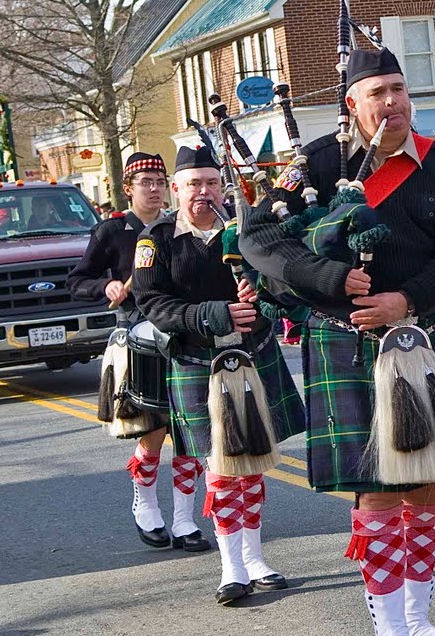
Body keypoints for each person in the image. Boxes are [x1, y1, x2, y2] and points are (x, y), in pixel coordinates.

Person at [244, 44, 435, 636]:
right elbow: (259, 238)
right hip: (349, 338)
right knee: (377, 488)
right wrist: (332, 277)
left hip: (426, 331)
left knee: (426, 482)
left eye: (398, 89)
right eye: (377, 93)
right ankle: (388, 631)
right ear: (352, 104)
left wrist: (407, 300)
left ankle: (419, 619)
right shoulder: (316, 164)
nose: (392, 103)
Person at [131, 144, 307, 604]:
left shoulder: (248, 232)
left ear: (222, 186)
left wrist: (262, 292)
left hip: (253, 356)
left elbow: (287, 289)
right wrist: (214, 314)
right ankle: (231, 566)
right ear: (176, 189)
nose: (203, 192)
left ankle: (254, 558)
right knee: (222, 469)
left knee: (251, 465)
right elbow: (152, 304)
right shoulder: (156, 241)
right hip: (196, 360)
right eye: (193, 184)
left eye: (211, 182)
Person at [66, 153, 209, 552]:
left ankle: (184, 519)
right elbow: (78, 280)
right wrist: (105, 288)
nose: (153, 187)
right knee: (152, 431)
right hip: (137, 337)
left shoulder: (180, 227)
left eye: (159, 181)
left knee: (187, 433)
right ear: (128, 188)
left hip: (182, 333)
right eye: (145, 181)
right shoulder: (112, 231)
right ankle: (144, 504)